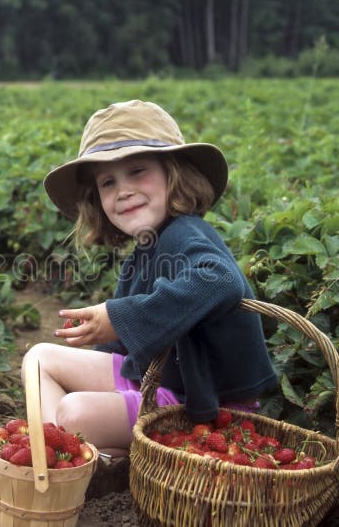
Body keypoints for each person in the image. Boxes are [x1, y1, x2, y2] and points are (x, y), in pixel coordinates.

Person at [22, 100, 278, 458]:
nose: (123, 190)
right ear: (97, 199)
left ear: (174, 174)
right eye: (108, 182)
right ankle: (77, 459)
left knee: (73, 413)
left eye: (137, 171)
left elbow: (221, 279)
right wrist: (114, 332)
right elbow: (118, 349)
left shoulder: (186, 233)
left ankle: (83, 456)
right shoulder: (143, 253)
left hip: (205, 405)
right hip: (162, 380)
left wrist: (119, 317)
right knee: (38, 359)